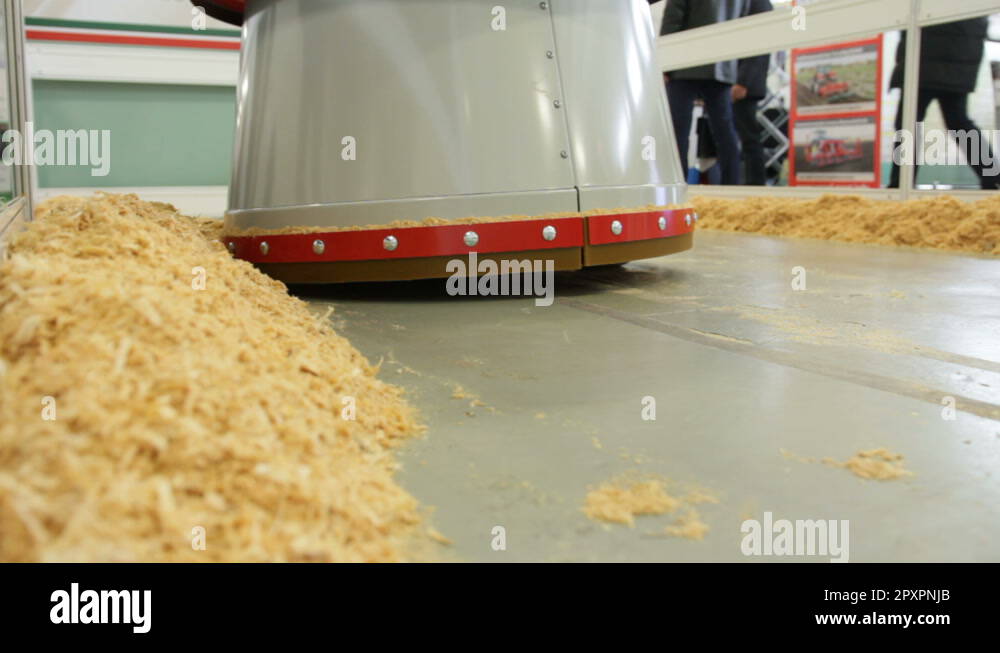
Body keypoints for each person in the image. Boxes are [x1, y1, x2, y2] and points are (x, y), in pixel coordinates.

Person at [888, 17, 999, 189]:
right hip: (960, 58)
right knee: (959, 121)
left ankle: (900, 185)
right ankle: (994, 178)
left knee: (908, 123)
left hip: (924, 58)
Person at [659, 0, 755, 185]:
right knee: (724, 131)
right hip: (722, 65)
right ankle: (731, 186)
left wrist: (666, 64)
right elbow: (743, 24)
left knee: (679, 131)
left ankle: (678, 184)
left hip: (684, 63)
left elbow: (673, 19)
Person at [731, 0, 774, 186]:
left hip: (744, 86)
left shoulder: (759, 4)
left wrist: (742, 82)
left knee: (749, 139)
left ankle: (756, 186)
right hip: (733, 82)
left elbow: (757, 48)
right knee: (735, 138)